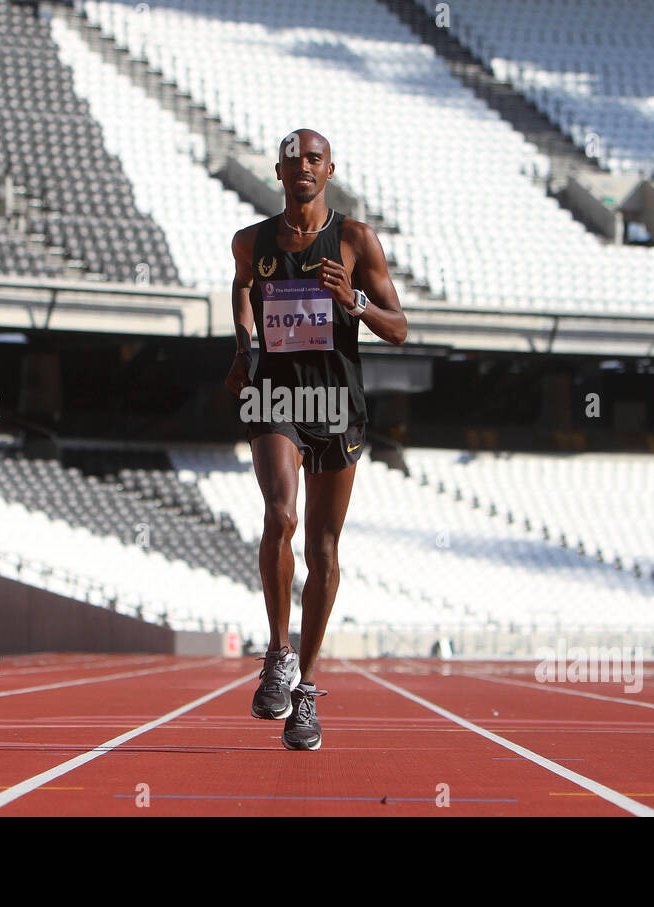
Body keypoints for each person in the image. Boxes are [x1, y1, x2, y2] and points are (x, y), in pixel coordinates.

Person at [225, 128, 407, 750]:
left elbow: (400, 328)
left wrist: (352, 302)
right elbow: (244, 285)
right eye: (292, 159)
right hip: (275, 396)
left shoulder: (356, 240)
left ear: (329, 169)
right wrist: (244, 344)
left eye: (313, 158)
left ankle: (305, 690)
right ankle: (277, 651)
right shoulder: (252, 241)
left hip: (336, 402)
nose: (302, 166)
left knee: (324, 551)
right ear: (278, 172)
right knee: (281, 517)